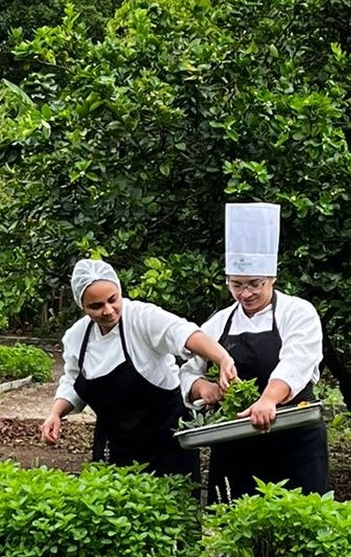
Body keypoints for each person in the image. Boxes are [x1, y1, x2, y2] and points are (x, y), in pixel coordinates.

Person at [182, 203, 330, 501]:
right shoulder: (218, 323)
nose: (245, 293)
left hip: (295, 438)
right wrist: (203, 388)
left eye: (254, 285)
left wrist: (268, 400)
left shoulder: (298, 312)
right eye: (236, 285)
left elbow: (297, 361)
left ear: (272, 278)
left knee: (299, 525)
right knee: (235, 524)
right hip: (236, 443)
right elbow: (187, 368)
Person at [42, 258, 237, 478]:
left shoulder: (142, 318)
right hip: (115, 445)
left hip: (167, 443)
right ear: (82, 306)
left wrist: (222, 358)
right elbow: (73, 382)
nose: (108, 310)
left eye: (112, 299)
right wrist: (56, 414)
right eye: (96, 306)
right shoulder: (77, 337)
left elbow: (182, 333)